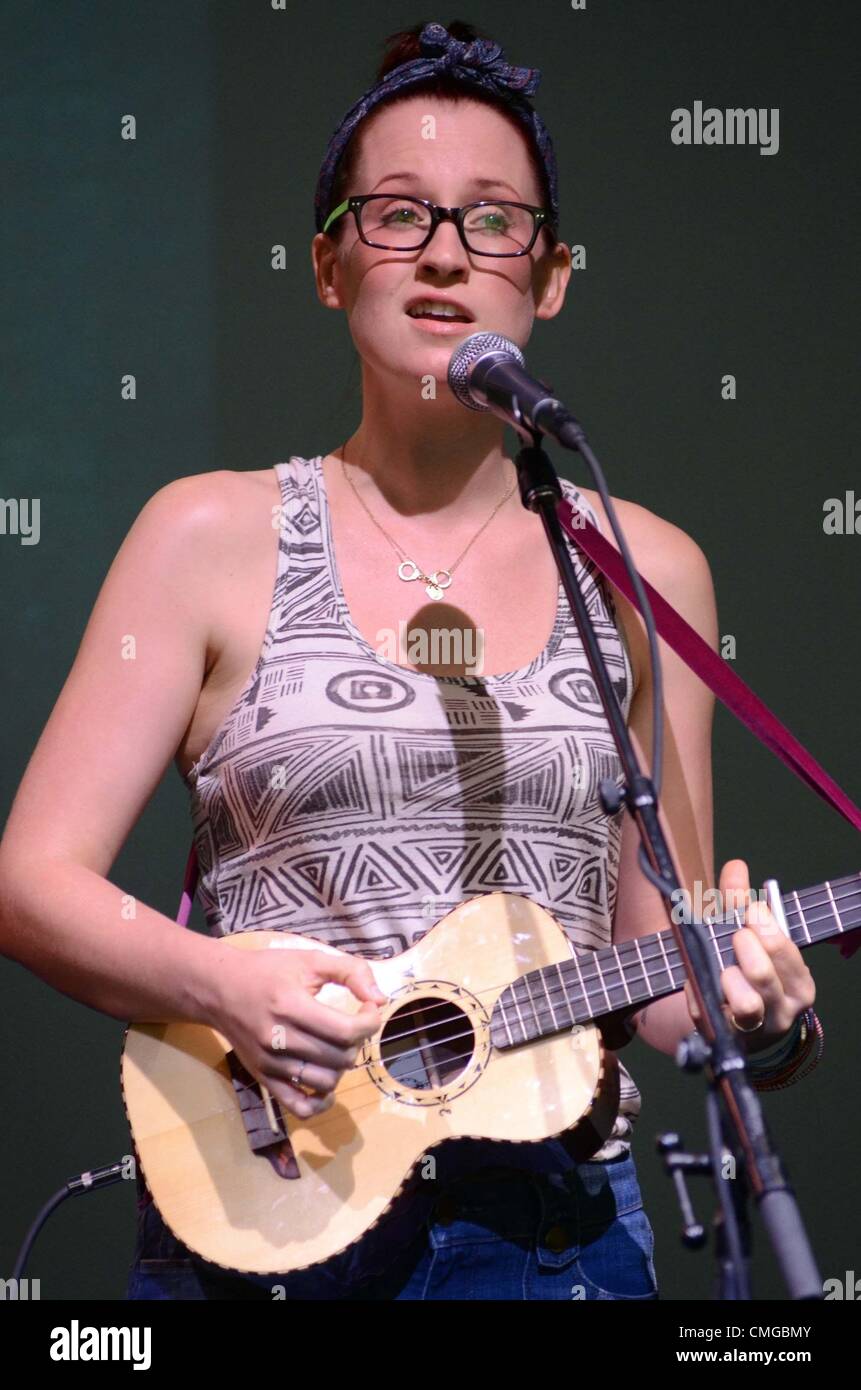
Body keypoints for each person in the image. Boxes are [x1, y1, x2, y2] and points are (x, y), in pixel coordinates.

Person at [0, 19, 819, 1301]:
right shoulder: (207, 534)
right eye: (396, 215)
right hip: (273, 1214)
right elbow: (29, 880)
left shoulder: (645, 566)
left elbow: (662, 972)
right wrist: (218, 982)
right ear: (329, 264)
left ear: (548, 277)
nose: (444, 251)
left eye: (494, 222)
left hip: (560, 1237)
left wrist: (758, 1015)